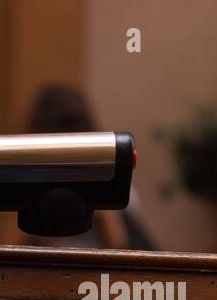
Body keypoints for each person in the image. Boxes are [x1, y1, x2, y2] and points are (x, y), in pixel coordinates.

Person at [26, 84, 155, 250]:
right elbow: (7, 248)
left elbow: (120, 246)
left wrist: (96, 191)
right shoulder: (32, 180)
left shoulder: (113, 182)